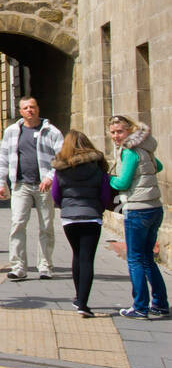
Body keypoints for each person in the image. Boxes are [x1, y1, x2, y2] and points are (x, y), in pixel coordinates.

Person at [0, 96, 64, 281]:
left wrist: (50, 177)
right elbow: (4, 157)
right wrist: (0, 183)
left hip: (44, 186)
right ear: (20, 111)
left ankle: (45, 266)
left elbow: (62, 157)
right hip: (21, 184)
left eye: (32, 107)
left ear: (38, 109)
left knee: (47, 226)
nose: (29, 110)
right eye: (25, 108)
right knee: (17, 224)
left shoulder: (51, 131)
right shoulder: (12, 131)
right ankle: (18, 266)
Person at [108, 115, 168, 319]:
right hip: (154, 207)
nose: (116, 136)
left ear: (129, 130)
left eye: (120, 131)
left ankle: (140, 306)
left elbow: (123, 183)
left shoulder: (129, 151)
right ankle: (160, 303)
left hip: (137, 209)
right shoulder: (146, 147)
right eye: (113, 132)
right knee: (148, 258)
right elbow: (157, 167)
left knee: (134, 259)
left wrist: (110, 180)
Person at [49, 131, 112, 318]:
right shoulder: (98, 166)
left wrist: (64, 207)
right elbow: (106, 193)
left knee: (77, 255)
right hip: (91, 215)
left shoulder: (60, 168)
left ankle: (78, 297)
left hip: (69, 218)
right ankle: (83, 303)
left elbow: (55, 194)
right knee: (87, 258)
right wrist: (99, 208)